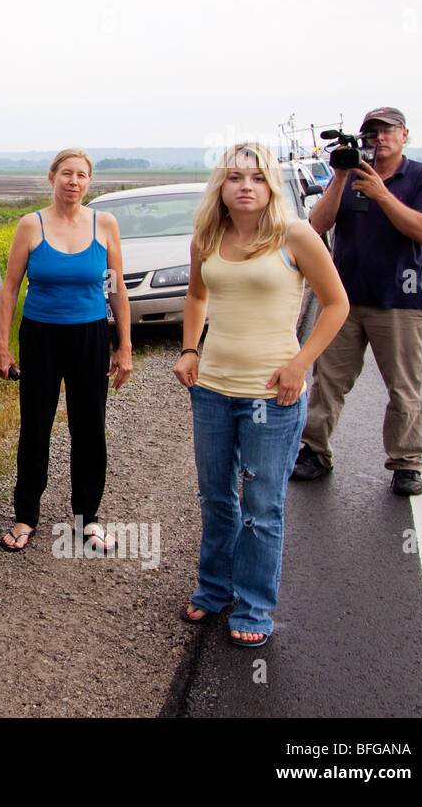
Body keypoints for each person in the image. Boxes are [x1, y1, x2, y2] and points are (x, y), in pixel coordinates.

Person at [173, 143, 348, 647]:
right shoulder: (207, 235)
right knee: (216, 498)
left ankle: (253, 606)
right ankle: (213, 589)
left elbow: (337, 304)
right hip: (211, 391)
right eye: (234, 177)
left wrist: (300, 363)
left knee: (262, 507)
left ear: (271, 185)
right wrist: (189, 348)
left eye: (256, 177)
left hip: (274, 396)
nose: (245, 185)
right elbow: (197, 294)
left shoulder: (295, 235)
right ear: (221, 187)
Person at [290, 107, 422, 495]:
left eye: (386, 132)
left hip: (399, 300)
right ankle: (315, 451)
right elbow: (318, 225)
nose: (378, 140)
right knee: (328, 382)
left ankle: (407, 463)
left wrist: (380, 192)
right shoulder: (345, 178)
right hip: (343, 301)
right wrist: (342, 176)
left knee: (403, 387)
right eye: (370, 134)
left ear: (404, 134)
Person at [0, 149, 132, 553]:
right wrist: (4, 345)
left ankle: (87, 518)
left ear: (89, 182)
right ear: (51, 176)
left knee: (89, 429)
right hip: (41, 337)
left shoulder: (104, 224)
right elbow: (11, 287)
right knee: (35, 427)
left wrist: (124, 347)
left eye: (82, 175)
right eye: (66, 173)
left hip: (90, 336)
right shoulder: (30, 225)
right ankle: (25, 516)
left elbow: (116, 288)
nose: (74, 181)